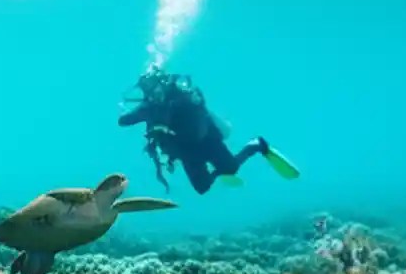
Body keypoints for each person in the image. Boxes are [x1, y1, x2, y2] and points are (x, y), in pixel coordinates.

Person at [117, 66, 298, 194]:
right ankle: (220, 172)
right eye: (146, 89)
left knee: (232, 168)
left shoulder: (183, 98)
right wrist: (130, 112)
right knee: (202, 188)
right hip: (186, 152)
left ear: (162, 83)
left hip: (207, 142)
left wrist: (166, 126)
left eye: (153, 87)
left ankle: (256, 145)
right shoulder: (148, 107)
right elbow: (123, 121)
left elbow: (196, 119)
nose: (151, 93)